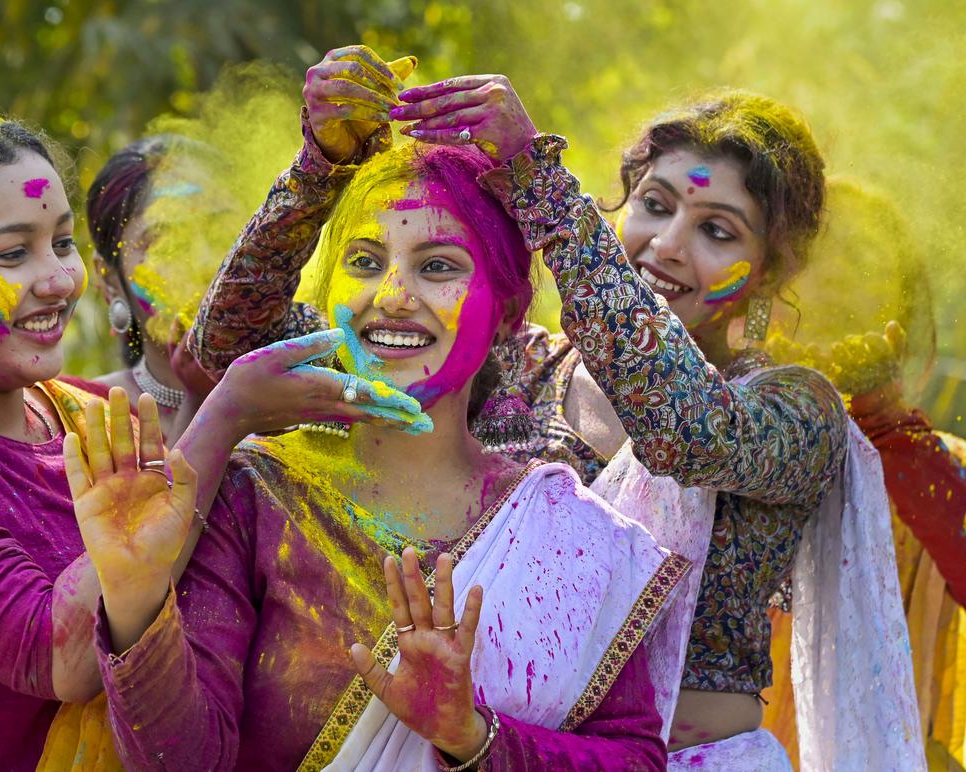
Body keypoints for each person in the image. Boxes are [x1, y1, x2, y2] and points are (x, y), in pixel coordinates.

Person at [186, 47, 920, 768]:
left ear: (772, 271)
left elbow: (680, 431)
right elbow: (233, 348)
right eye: (654, 206)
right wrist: (322, 165)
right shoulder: (519, 366)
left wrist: (538, 178)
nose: (665, 245)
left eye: (716, 230)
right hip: (493, 751)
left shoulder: (793, 412)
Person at [66, 50, 704, 772]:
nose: (392, 295)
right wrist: (135, 598)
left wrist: (471, 737)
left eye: (437, 266)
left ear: (506, 312)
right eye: (366, 262)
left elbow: (634, 761)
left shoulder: (569, 537)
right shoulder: (259, 496)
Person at [0, 94, 419, 770]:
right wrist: (225, 417)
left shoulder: (89, 416)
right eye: (11, 254)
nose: (59, 279)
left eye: (61, 243)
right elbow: (58, 656)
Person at [761, 179, 966, 769]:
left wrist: (888, 431)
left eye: (857, 274)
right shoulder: (697, 438)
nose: (827, 298)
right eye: (807, 271)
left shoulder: (931, 464)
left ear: (895, 312)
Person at [72, 135, 226, 438]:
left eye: (220, 228)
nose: (206, 261)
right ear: (108, 277)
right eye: (163, 240)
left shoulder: (321, 390)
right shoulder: (85, 420)